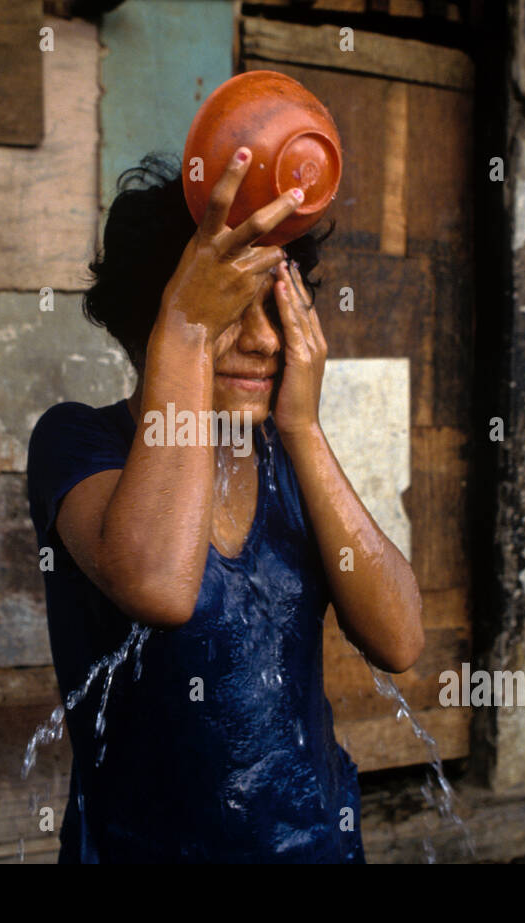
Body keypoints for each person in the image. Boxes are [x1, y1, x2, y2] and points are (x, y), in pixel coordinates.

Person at [27, 147, 425, 863]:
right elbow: (157, 585)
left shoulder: (288, 455)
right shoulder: (79, 443)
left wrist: (303, 427)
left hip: (313, 845)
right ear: (151, 322)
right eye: (230, 315)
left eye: (275, 310)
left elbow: (399, 638)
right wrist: (183, 325)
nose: (266, 342)